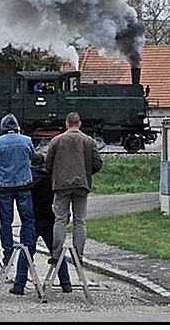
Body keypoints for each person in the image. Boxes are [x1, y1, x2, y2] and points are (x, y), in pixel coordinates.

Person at [0, 112, 36, 296]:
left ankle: (8, 250)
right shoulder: (26, 140)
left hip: (4, 185)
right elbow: (32, 156)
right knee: (27, 219)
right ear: (17, 127)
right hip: (24, 183)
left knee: (5, 221)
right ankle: (27, 245)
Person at [45, 111, 103, 265]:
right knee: (80, 221)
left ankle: (56, 254)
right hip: (81, 184)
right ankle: (79, 255)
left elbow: (48, 164)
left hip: (61, 185)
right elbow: (97, 163)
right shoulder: (89, 141)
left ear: (66, 124)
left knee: (60, 220)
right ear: (80, 124)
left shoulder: (56, 141)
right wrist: (86, 173)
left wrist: (56, 174)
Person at [30, 152, 72, 293]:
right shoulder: (51, 178)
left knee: (26, 253)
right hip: (50, 219)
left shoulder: (28, 178)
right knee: (57, 252)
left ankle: (19, 283)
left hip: (33, 219)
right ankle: (66, 283)